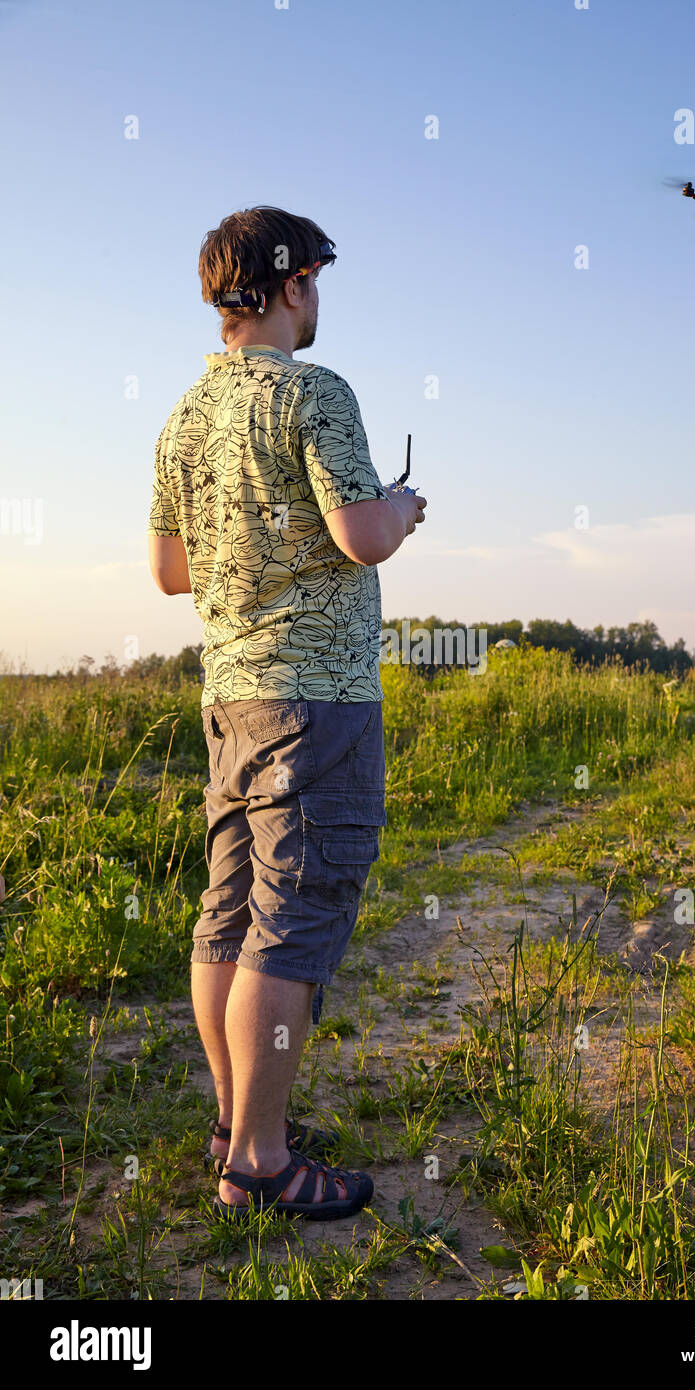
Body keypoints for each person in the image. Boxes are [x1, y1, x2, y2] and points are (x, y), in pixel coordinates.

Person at [147, 206, 427, 1220]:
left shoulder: (183, 416)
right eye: (316, 281)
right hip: (318, 700)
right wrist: (400, 506)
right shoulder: (317, 393)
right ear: (294, 282)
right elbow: (361, 537)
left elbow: (170, 571)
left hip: (229, 698)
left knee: (228, 914)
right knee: (293, 923)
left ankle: (235, 1124)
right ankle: (259, 1160)